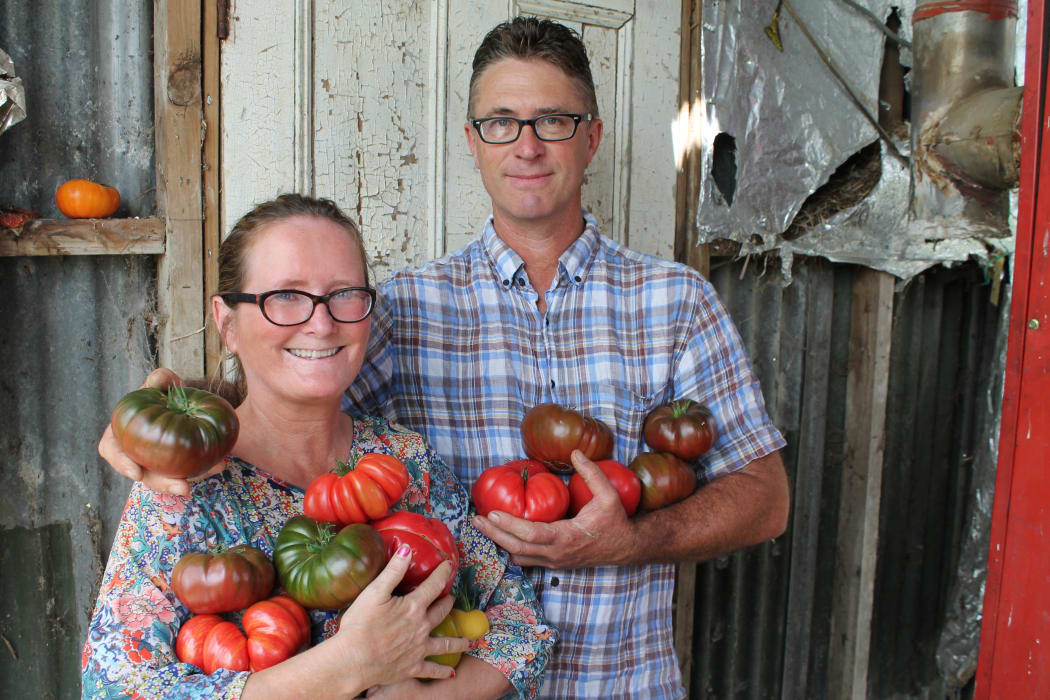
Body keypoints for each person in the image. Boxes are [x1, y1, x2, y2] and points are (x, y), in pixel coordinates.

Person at [100, 17, 790, 699]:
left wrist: (631, 541)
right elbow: (292, 384)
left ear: (592, 137)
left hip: (622, 684)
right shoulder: (404, 308)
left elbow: (764, 501)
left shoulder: (676, 302)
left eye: (554, 120)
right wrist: (160, 421)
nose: (527, 145)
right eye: (501, 122)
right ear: (472, 141)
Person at [83, 194, 555, 699]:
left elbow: (521, 628)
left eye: (344, 294)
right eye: (286, 295)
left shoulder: (405, 460)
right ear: (227, 322)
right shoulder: (184, 486)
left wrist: (427, 698)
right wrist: (346, 666)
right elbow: (113, 687)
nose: (322, 323)